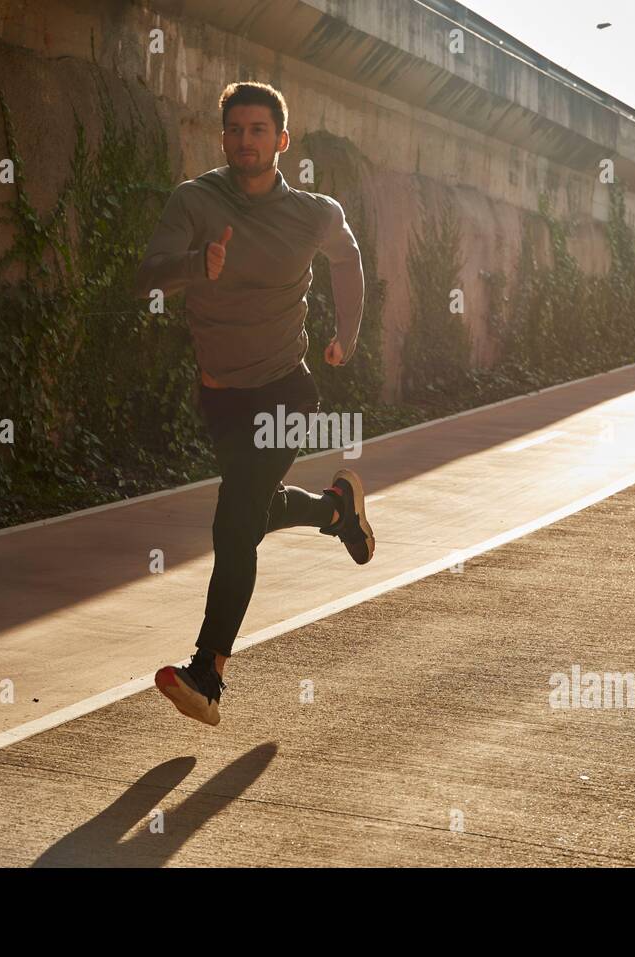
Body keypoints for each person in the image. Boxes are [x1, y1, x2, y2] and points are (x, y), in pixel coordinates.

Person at [132, 80, 372, 726]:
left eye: (258, 130)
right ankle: (335, 509)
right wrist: (195, 267)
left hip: (285, 391)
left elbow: (348, 259)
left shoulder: (313, 211)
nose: (245, 141)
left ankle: (207, 672)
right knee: (253, 511)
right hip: (221, 398)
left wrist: (346, 336)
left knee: (233, 524)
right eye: (235, 130)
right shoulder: (196, 201)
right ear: (222, 138)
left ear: (281, 140)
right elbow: (148, 271)